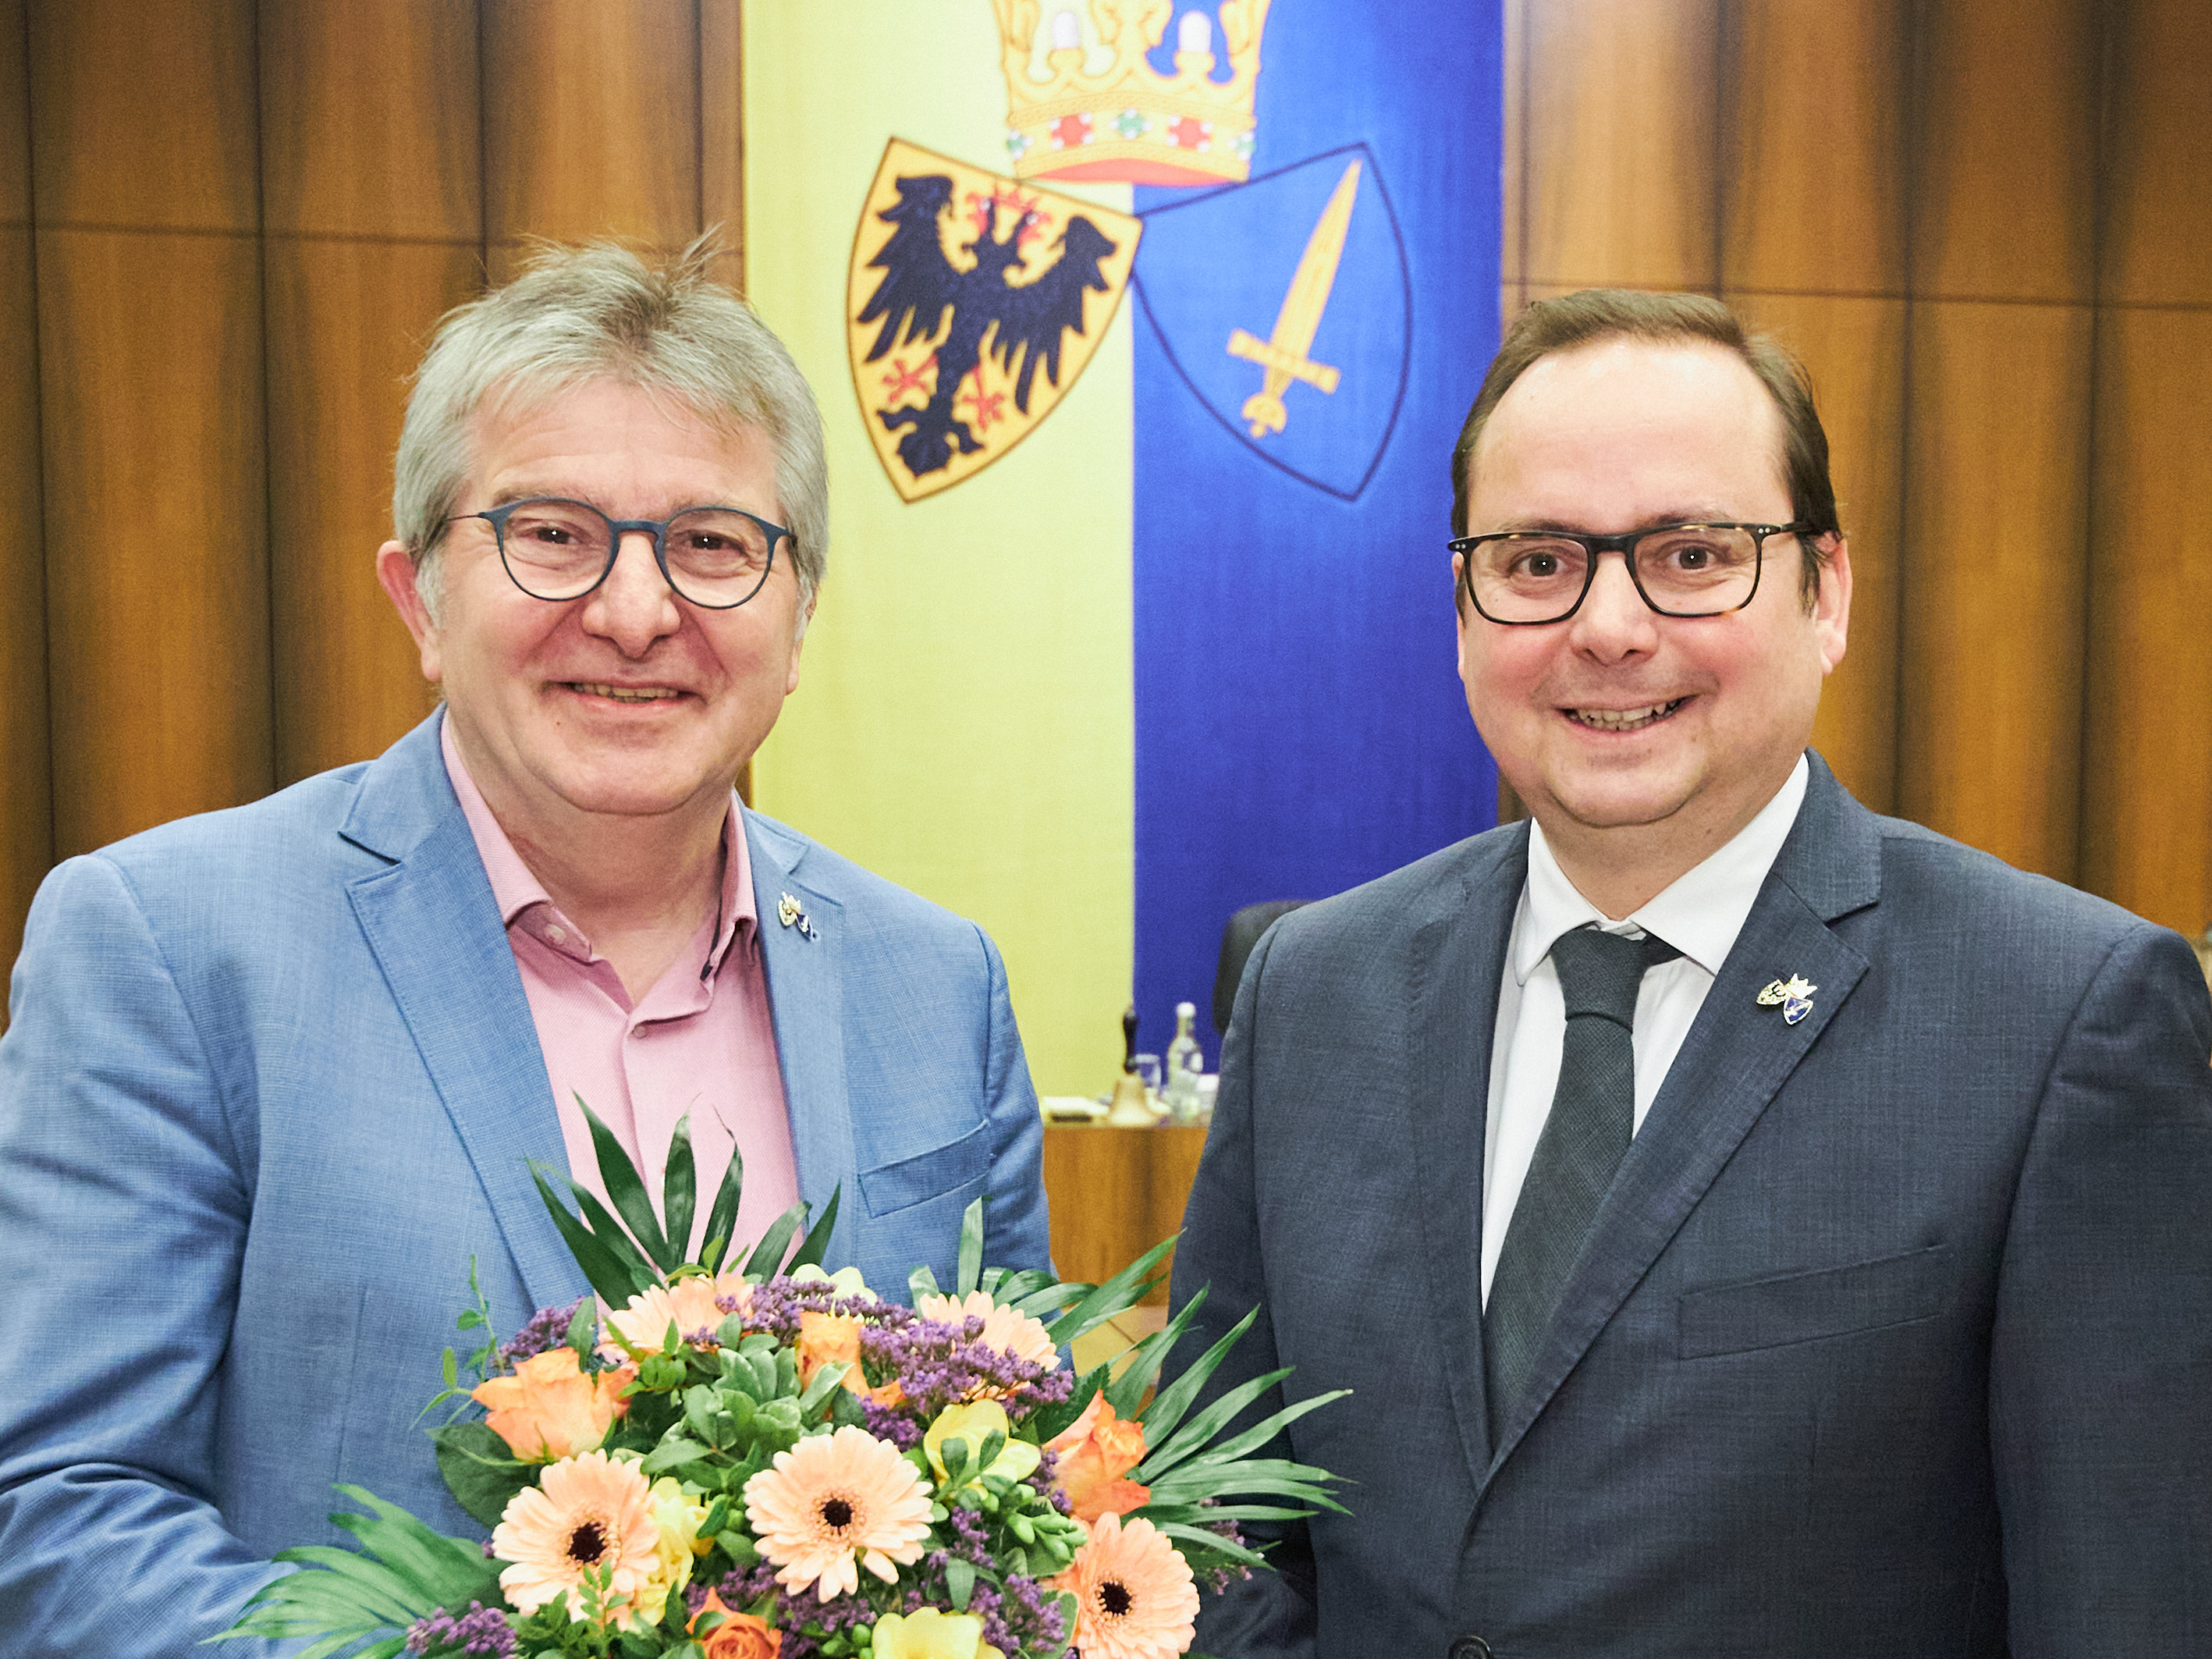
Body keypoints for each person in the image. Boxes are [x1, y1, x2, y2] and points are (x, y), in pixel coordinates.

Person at [0, 237, 1051, 1656]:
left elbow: (1020, 1500)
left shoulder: (940, 989)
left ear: (800, 620)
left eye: (714, 543)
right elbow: (60, 1504)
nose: (634, 611)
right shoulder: (172, 947)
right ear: (419, 597)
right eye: (551, 532)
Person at [1170, 289, 2212, 1656]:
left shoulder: (2060, 1015)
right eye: (1539, 561)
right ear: (1464, 601)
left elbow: (2121, 1607)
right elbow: (1207, 1529)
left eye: (1693, 553)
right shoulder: (1315, 989)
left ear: (1825, 590)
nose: (1608, 626)